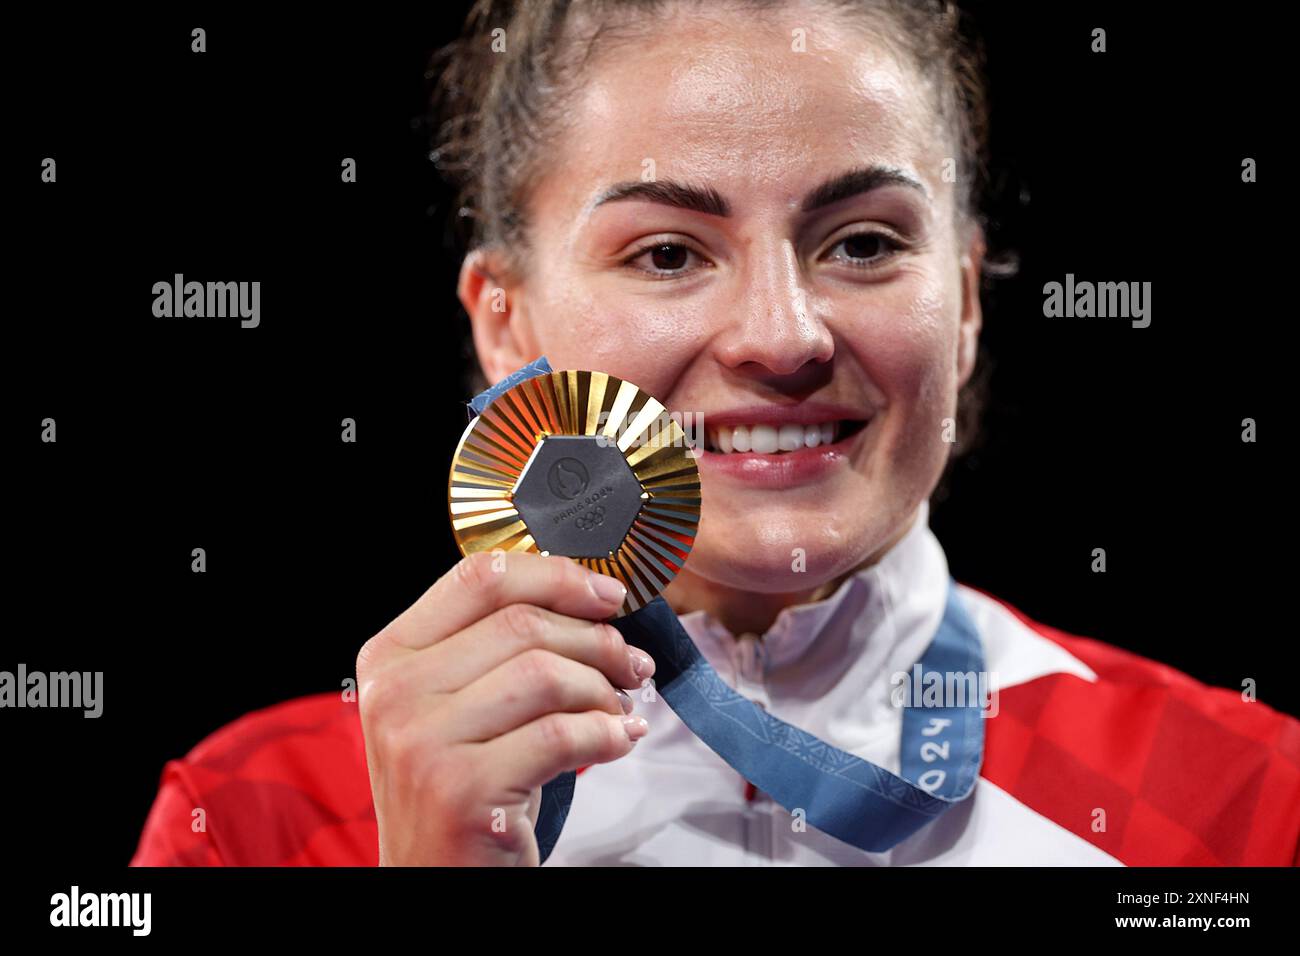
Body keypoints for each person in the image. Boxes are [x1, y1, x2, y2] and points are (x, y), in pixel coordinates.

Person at [130, 0, 1300, 867]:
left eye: (861, 242)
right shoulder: (252, 818)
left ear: (968, 300)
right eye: (668, 253)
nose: (780, 337)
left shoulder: (1244, 804)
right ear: (506, 322)